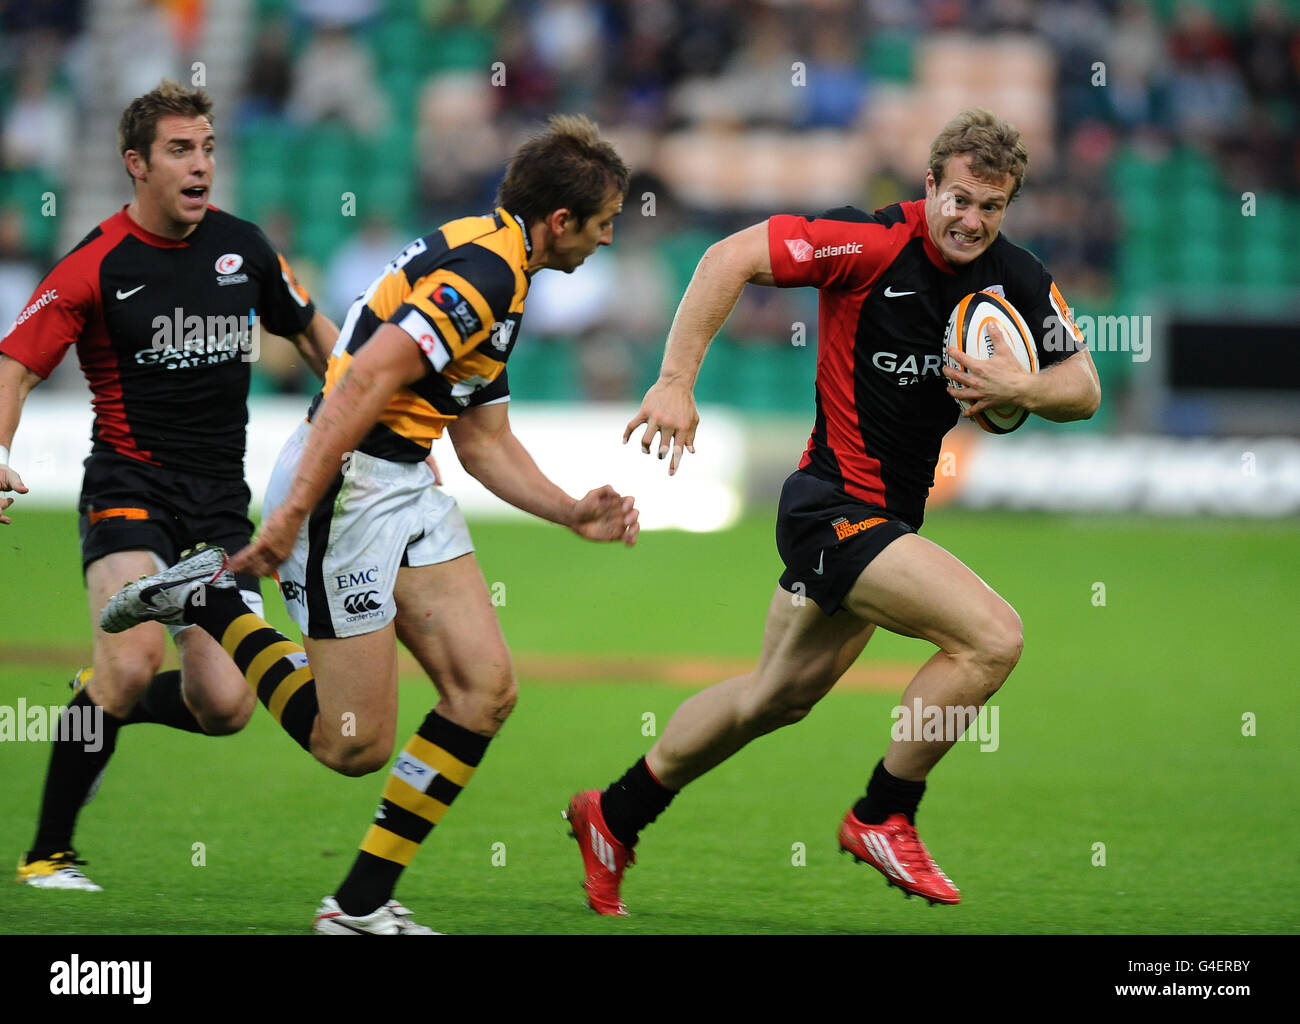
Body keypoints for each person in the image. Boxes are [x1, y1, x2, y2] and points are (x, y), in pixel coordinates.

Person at [100, 114, 639, 933]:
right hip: (343, 487)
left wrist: (570, 511)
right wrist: (288, 516)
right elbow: (361, 385)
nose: (606, 241)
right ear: (560, 221)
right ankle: (210, 600)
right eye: (603, 225)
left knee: (483, 692)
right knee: (351, 746)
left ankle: (355, 908)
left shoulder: (500, 260)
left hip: (400, 481)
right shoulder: (485, 277)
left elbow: (482, 439)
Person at [565, 107, 1101, 915]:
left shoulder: (1017, 277)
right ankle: (885, 812)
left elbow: (1083, 388)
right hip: (831, 508)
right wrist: (676, 381)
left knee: (772, 698)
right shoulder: (870, 242)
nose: (973, 219)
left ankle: (614, 812)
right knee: (992, 638)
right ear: (929, 187)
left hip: (886, 523)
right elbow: (726, 257)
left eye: (992, 206)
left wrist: (1019, 387)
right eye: (959, 199)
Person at [1, 79, 336, 891]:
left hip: (220, 507)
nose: (201, 166)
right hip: (128, 488)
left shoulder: (244, 248)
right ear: (136, 165)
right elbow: (12, 370)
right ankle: (48, 854)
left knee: (225, 707)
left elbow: (319, 337)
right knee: (127, 660)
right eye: (181, 150)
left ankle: (97, 707)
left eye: (209, 149)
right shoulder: (94, 264)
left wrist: (370, 423)